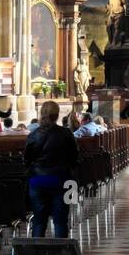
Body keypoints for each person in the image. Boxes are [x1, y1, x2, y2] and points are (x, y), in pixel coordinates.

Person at [23, 101, 78, 238]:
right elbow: (75, 156)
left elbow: (27, 159)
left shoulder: (33, 135)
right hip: (61, 180)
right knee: (60, 221)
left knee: (39, 221)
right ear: (57, 115)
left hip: (38, 180)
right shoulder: (66, 133)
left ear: (42, 114)